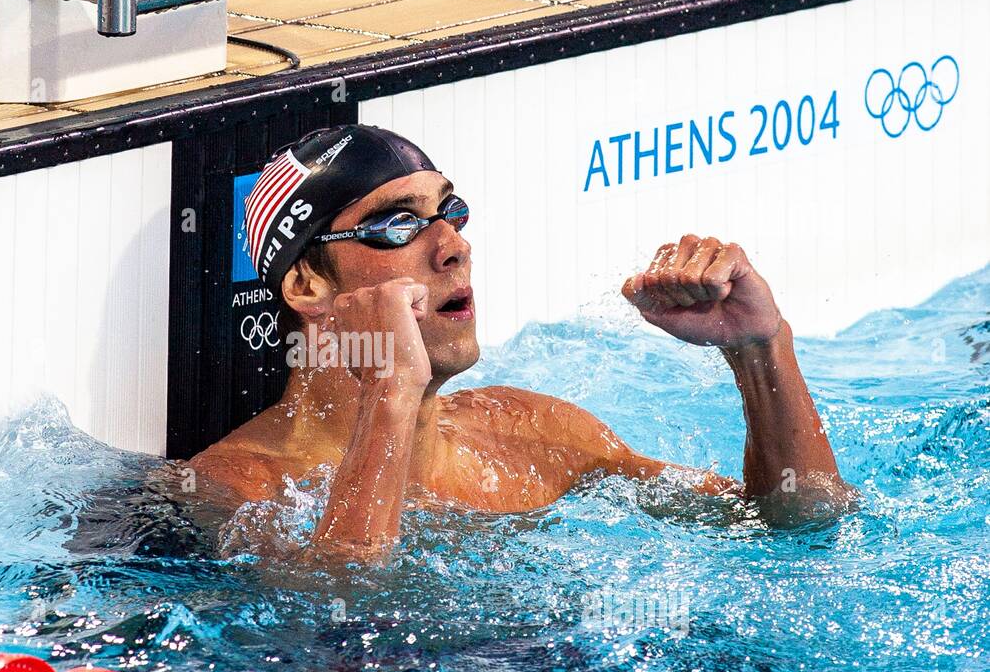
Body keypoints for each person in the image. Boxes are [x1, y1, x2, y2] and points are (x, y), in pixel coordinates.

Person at [190, 124, 854, 559]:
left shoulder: (531, 434)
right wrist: (390, 389)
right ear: (308, 285)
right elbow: (343, 624)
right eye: (397, 225)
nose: (452, 246)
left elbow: (797, 520)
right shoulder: (239, 486)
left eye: (449, 212)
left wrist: (762, 351)